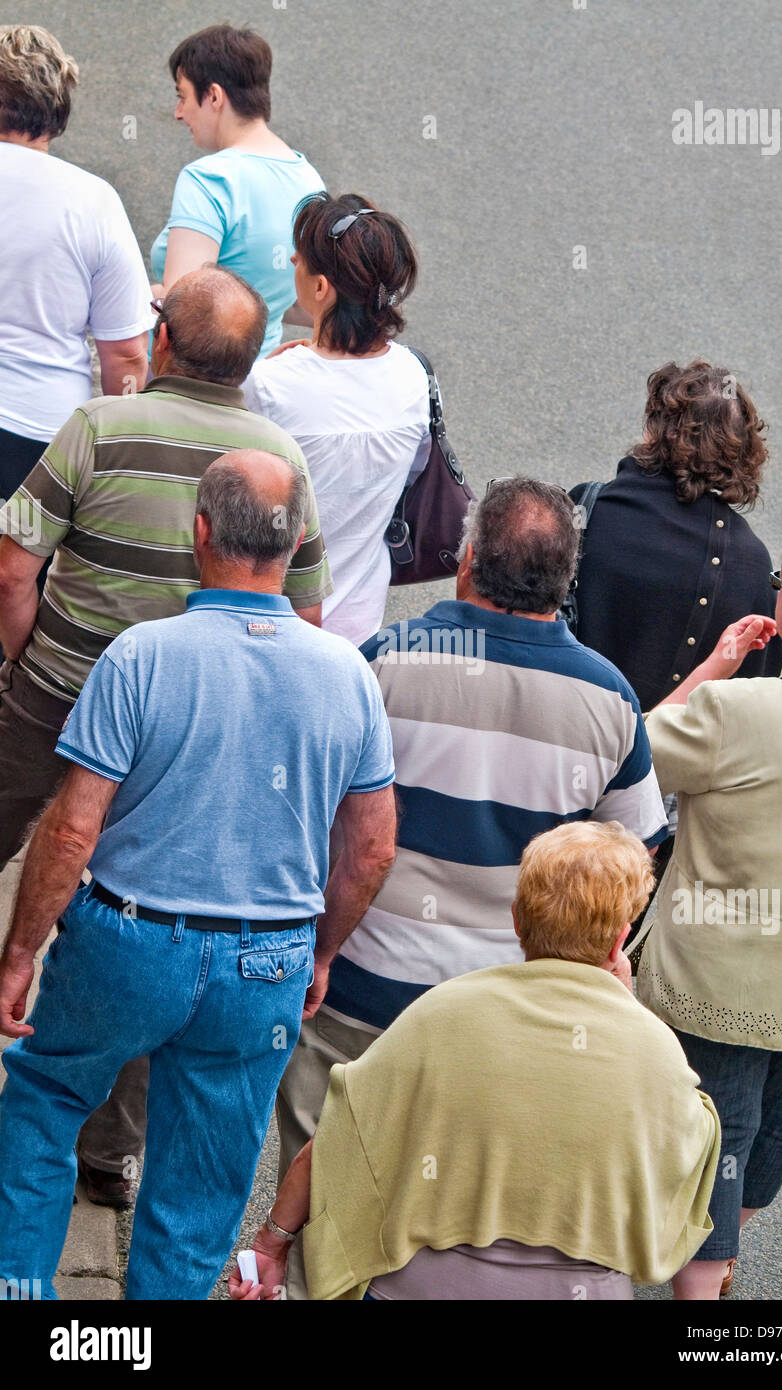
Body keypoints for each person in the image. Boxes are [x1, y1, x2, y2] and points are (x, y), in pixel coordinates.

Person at [0, 451, 397, 1301]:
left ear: (201, 534)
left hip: (127, 942)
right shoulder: (347, 677)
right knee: (201, 1179)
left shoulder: (141, 656)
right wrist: (319, 955)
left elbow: (73, 829)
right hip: (266, 961)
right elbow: (371, 851)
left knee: (42, 1101)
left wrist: (21, 951)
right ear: (293, 546)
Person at [275, 477, 668, 1294]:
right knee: (449, 1194)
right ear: (567, 580)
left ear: (466, 565)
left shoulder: (382, 664)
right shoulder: (609, 701)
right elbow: (638, 857)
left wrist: (312, 949)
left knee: (328, 1172)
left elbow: (313, 819)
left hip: (359, 987)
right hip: (508, 1018)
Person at [0, 266, 331, 1205]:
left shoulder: (101, 426)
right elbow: (302, 621)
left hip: (57, 696)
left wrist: (30, 667)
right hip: (183, 733)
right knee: (148, 910)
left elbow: (12, 571)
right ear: (251, 359)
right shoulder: (278, 463)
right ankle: (109, 1155)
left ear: (165, 345)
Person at [230, 822, 720, 1301]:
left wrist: (273, 1241)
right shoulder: (654, 1050)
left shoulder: (440, 1013)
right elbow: (689, 1154)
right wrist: (627, 1008)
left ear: (516, 919)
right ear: (620, 941)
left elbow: (338, 1137)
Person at [638, 533, 782, 1299]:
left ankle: (703, 1295)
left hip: (720, 980)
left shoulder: (735, 710)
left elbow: (626, 757)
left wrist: (714, 669)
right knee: (778, 1124)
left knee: (714, 1139)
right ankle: (722, 1258)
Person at [244, 193, 430, 645]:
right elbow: (416, 472)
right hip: (359, 627)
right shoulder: (414, 376)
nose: (291, 258)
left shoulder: (270, 384)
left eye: (301, 256)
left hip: (269, 621)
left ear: (322, 288)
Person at [570, 360, 782, 712]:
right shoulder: (752, 562)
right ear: (742, 451)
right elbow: (753, 698)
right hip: (666, 763)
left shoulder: (588, 507)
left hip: (557, 736)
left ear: (656, 431)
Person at [0, 24, 150, 504]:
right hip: (42, 438)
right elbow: (126, 355)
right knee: (31, 577)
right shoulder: (92, 200)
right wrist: (119, 456)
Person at [150, 24, 325, 356]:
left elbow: (184, 310)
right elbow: (281, 295)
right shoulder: (310, 181)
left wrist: (142, 294)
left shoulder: (209, 179)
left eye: (182, 96)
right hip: (259, 384)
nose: (178, 113)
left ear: (214, 96)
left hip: (194, 388)